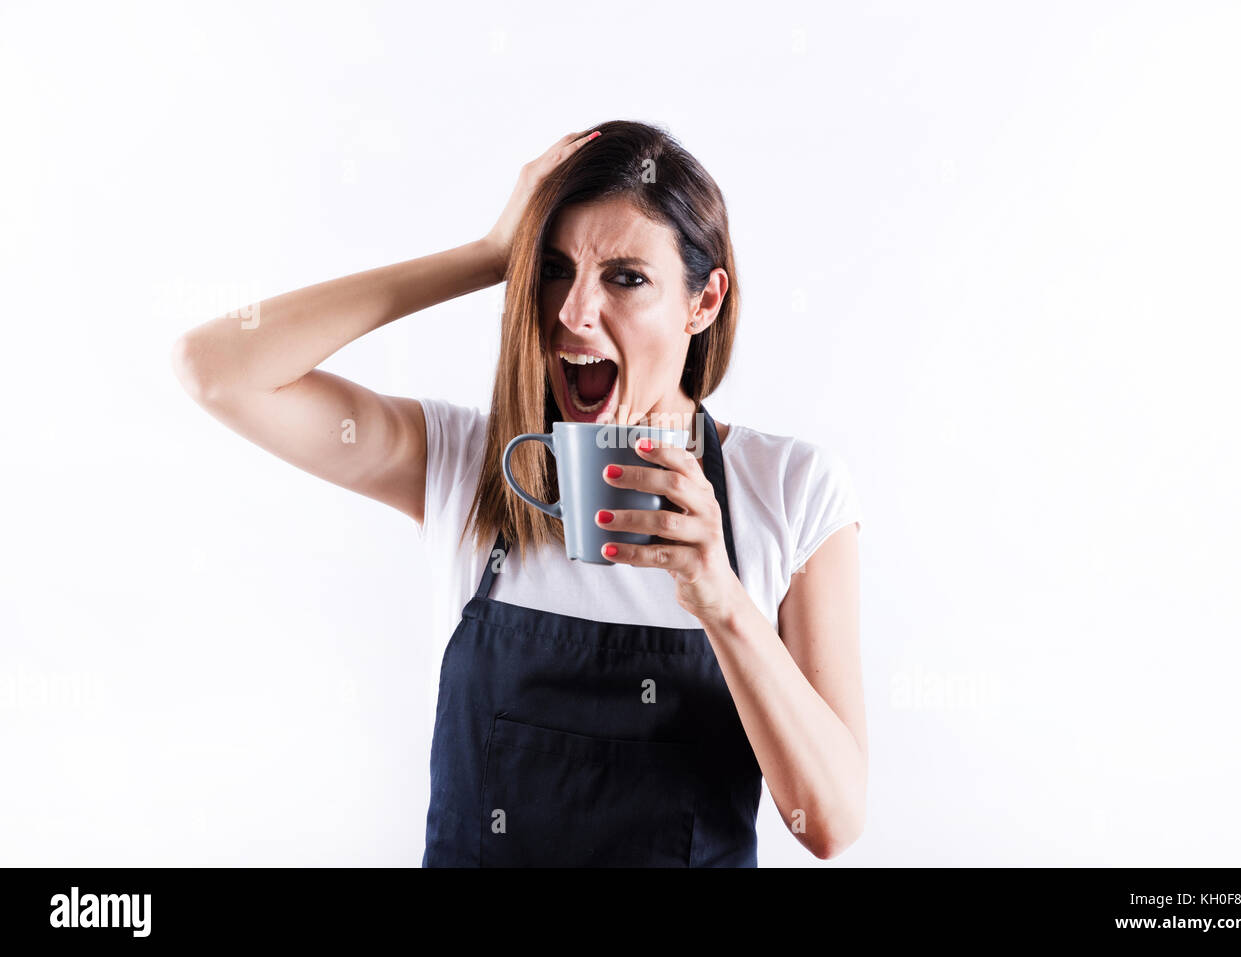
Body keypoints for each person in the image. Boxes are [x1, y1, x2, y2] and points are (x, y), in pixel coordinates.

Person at [172, 120, 867, 866]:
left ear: (703, 304)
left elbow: (829, 822)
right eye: (554, 269)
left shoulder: (791, 491)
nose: (573, 313)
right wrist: (485, 255)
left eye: (626, 278)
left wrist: (721, 597)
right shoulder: (465, 464)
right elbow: (216, 368)